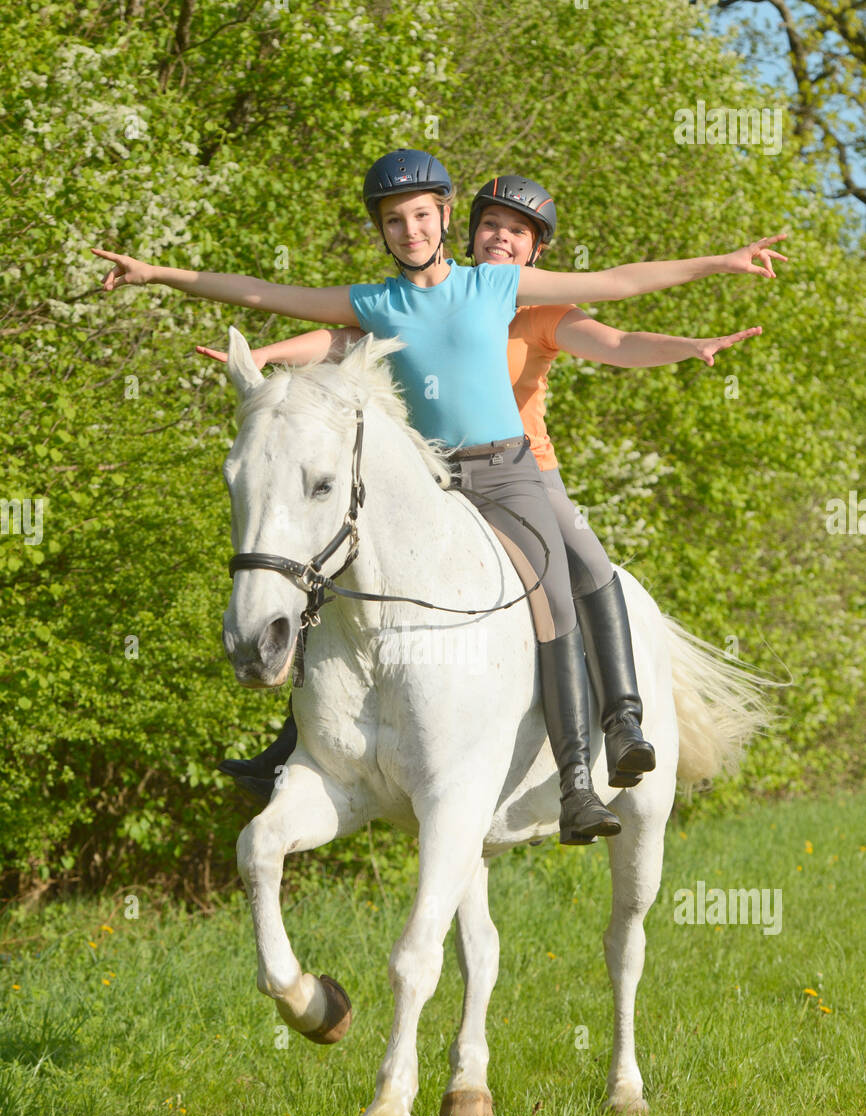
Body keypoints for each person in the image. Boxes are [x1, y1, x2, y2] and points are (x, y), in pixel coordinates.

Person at [92, 150, 784, 844]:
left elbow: (618, 283)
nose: (410, 229)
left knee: (552, 603)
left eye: (422, 215)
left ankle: (578, 780)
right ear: (385, 231)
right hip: (433, 477)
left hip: (511, 475)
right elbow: (262, 293)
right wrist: (157, 275)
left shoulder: (495, 286)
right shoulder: (376, 304)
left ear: (444, 219)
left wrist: (720, 262)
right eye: (395, 220)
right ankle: (300, 745)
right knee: (324, 577)